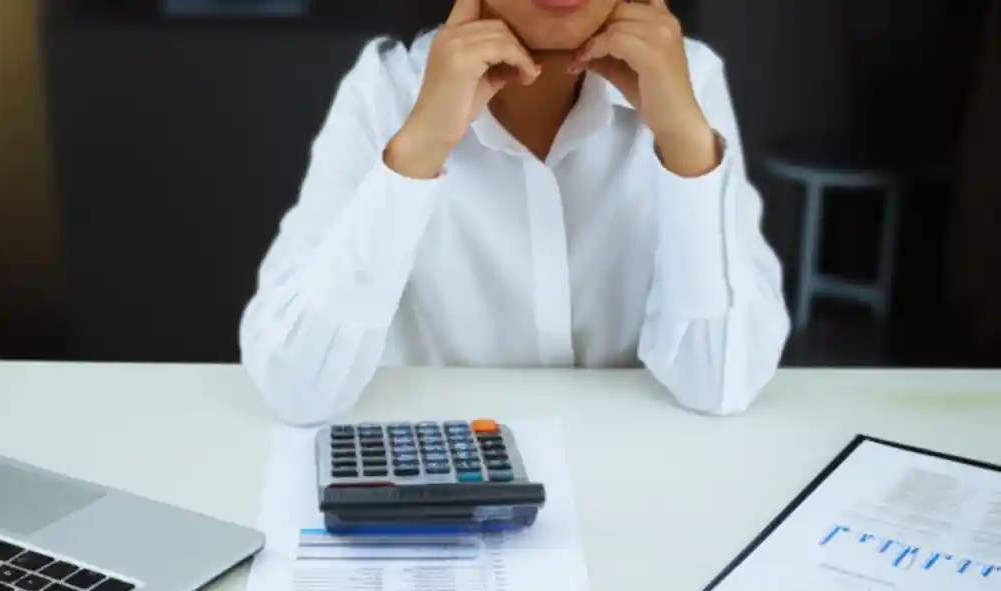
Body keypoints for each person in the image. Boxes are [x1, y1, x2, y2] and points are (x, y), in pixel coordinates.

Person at [239, 0, 790, 425]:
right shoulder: (384, 91)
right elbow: (298, 385)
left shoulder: (688, 79)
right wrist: (422, 143)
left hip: (631, 484)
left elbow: (719, 383)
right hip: (442, 489)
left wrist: (685, 140)